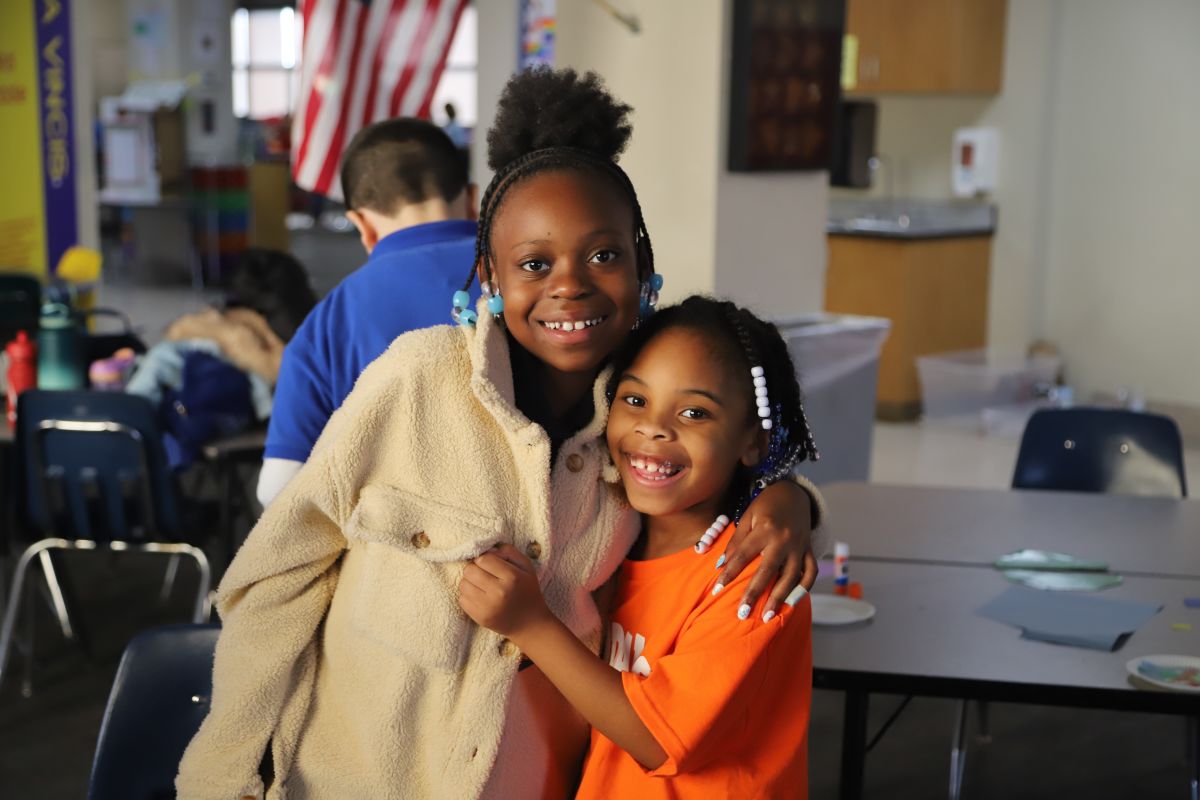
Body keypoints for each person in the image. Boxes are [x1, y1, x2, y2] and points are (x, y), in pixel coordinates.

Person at [177, 68, 825, 800]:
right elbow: (278, 575)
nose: (570, 284)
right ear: (490, 275)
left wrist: (788, 497)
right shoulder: (417, 377)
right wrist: (221, 775)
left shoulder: (634, 415)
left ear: (643, 265)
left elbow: (713, 465)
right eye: (535, 264)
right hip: (356, 777)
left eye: (604, 255)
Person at [461, 296, 818, 798]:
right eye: (634, 400)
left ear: (752, 442)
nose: (653, 427)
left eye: (694, 412)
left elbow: (658, 739)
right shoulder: (613, 535)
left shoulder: (754, 576)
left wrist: (529, 624)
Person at [257, 117, 478, 506]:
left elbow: (277, 490)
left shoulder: (327, 324)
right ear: (475, 200)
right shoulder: (538, 279)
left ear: (362, 225)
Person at [126, 250, 317, 466]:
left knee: (161, 363)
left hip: (221, 388)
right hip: (234, 393)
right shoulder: (299, 316)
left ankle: (125, 424)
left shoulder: (251, 322)